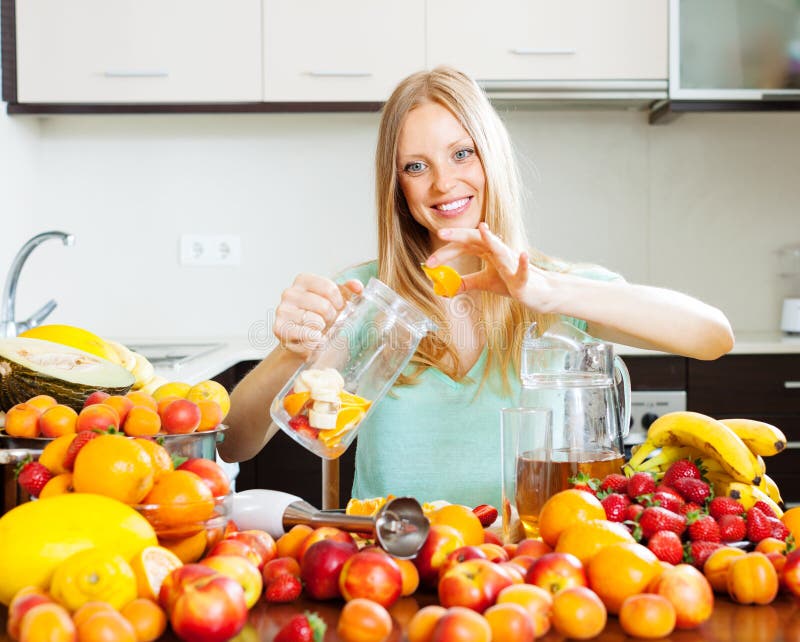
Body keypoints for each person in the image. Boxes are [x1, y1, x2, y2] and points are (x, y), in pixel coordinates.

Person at [218, 66, 734, 508]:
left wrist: (549, 292)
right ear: (398, 187)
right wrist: (291, 352)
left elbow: (712, 336)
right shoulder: (363, 297)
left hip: (529, 578)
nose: (443, 183)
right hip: (394, 572)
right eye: (416, 167)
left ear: (492, 158)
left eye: (462, 154)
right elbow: (236, 443)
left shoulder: (555, 290)